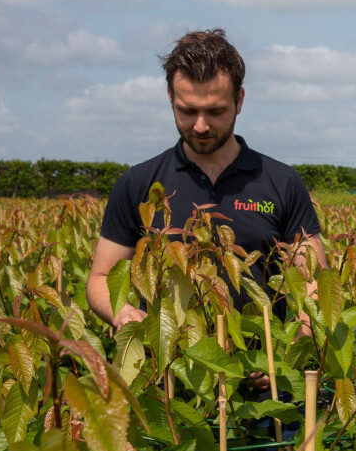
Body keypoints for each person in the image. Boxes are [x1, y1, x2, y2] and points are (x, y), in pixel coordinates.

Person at [87, 29, 325, 337]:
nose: (200, 126)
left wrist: (295, 343)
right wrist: (122, 312)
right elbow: (101, 277)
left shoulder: (282, 182)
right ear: (170, 98)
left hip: (264, 363)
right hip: (169, 364)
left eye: (215, 111)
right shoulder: (139, 184)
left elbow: (313, 282)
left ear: (239, 100)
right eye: (187, 111)